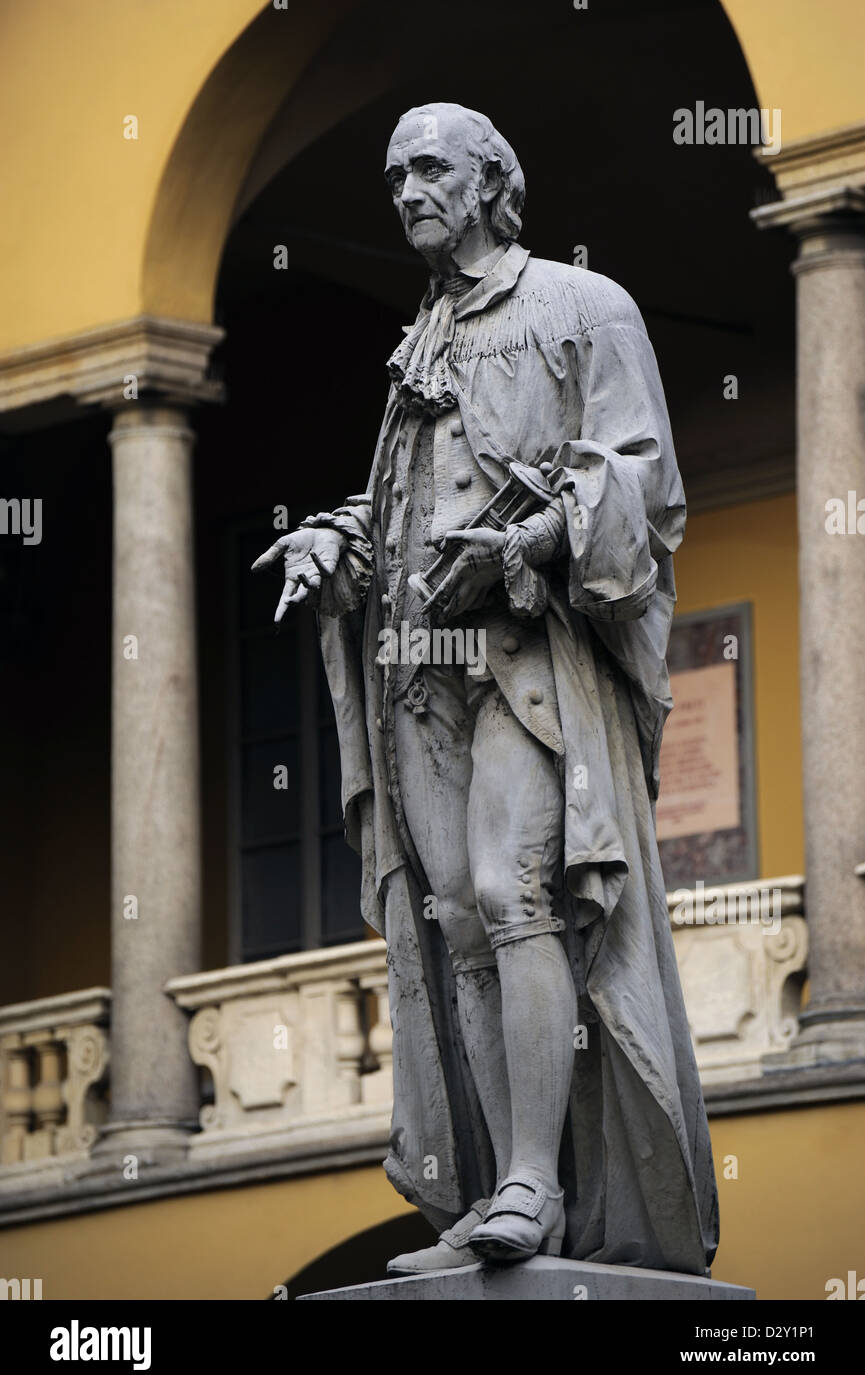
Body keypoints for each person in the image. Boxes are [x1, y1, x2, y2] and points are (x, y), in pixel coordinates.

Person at [254, 102, 719, 1276]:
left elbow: (642, 482)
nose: (407, 191)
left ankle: (531, 1181)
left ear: (490, 181)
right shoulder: (422, 335)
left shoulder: (581, 305)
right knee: (456, 917)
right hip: (420, 668)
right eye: (393, 176)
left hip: (527, 656)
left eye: (429, 169)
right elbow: (407, 500)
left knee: (517, 896)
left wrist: (528, 545)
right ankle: (494, 1186)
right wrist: (339, 540)